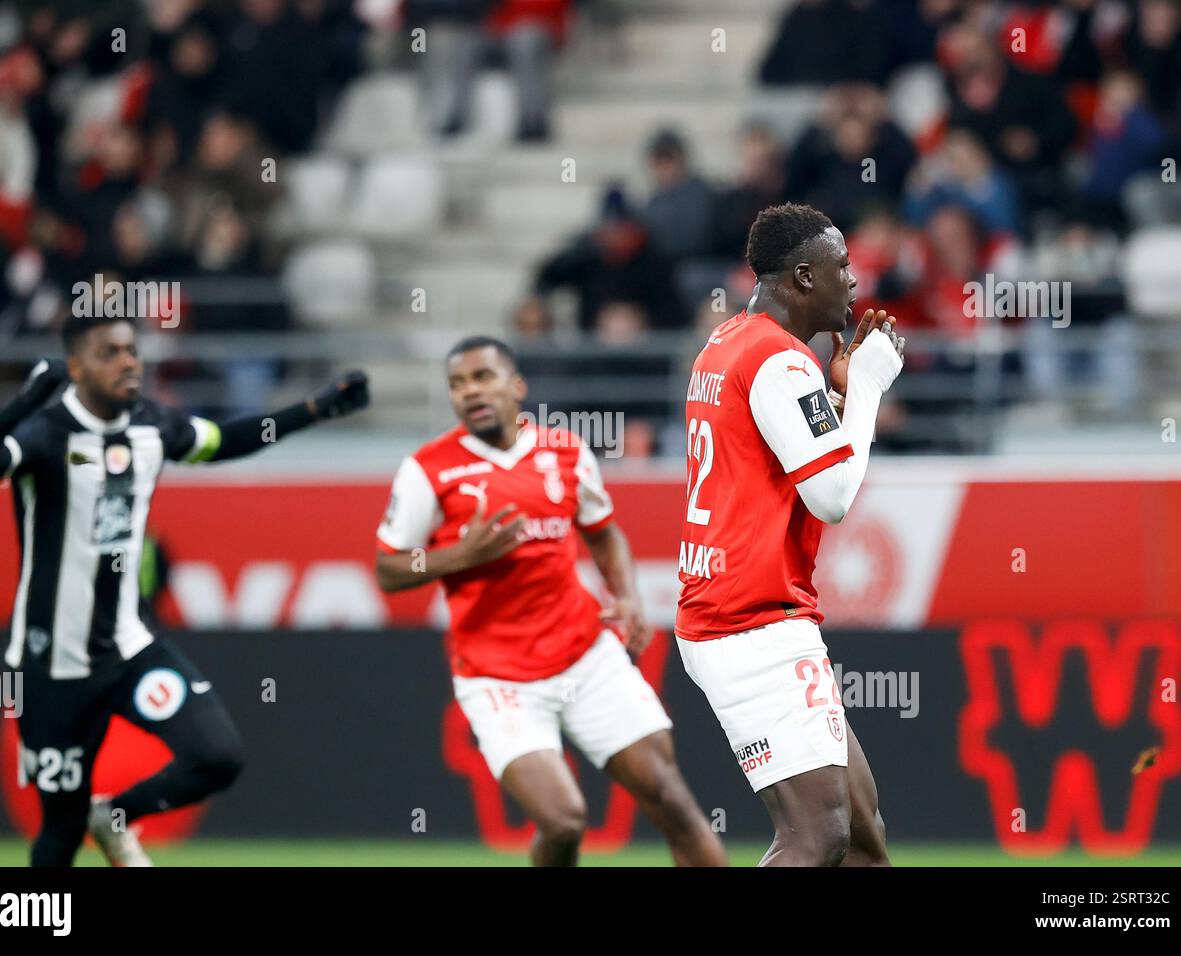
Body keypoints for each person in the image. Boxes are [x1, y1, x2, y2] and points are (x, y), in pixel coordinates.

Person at [0, 313, 370, 866]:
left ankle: (115, 815)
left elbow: (224, 441)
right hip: (53, 669)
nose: (128, 363)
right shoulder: (45, 435)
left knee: (217, 756)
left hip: (129, 649)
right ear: (75, 367)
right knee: (60, 831)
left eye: (132, 350)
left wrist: (314, 410)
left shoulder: (151, 424)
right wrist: (27, 399)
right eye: (110, 353)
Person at [375, 335, 726, 867]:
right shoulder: (428, 470)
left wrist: (626, 596)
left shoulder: (564, 451)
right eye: (457, 383)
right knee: (563, 820)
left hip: (585, 655)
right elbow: (389, 569)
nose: (471, 391)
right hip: (499, 677)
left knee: (672, 799)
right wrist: (457, 556)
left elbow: (603, 533)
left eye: (482, 377)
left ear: (516, 386)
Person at [675, 203, 905, 866]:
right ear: (804, 277)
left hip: (737, 611)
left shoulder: (728, 344)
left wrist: (834, 405)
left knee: (862, 835)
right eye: (841, 268)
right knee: (818, 836)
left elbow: (773, 456)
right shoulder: (779, 360)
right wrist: (865, 388)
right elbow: (831, 496)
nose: (854, 282)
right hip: (750, 620)